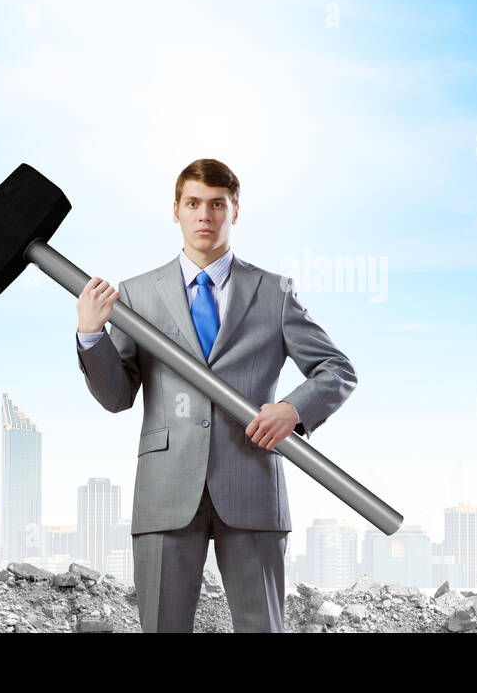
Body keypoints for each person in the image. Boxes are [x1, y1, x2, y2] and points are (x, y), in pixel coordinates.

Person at [74, 157, 357, 632]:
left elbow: (337, 369)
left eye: (216, 205)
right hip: (166, 488)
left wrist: (294, 408)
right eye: (193, 204)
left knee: (261, 627)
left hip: (250, 480)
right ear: (176, 211)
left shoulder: (273, 292)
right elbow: (117, 395)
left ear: (235, 211)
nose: (204, 216)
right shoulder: (137, 294)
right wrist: (90, 336)